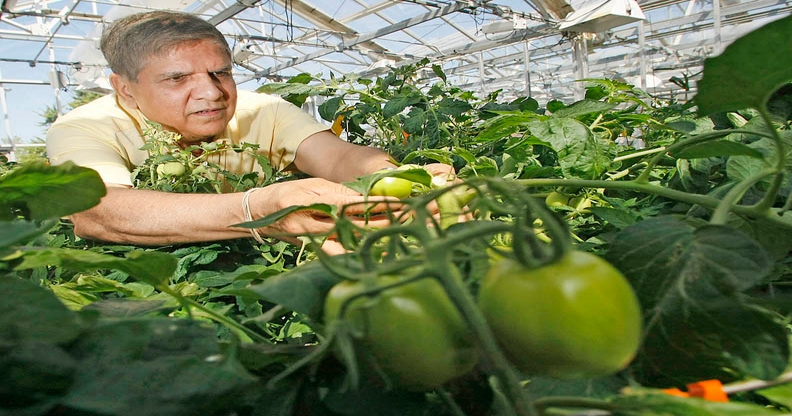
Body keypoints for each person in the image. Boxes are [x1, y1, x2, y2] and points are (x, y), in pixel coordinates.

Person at [46, 10, 452, 254]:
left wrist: (401, 179)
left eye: (220, 72)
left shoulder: (263, 110)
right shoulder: (85, 128)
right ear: (125, 89)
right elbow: (98, 211)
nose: (211, 92)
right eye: (177, 78)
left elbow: (340, 156)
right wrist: (257, 211)